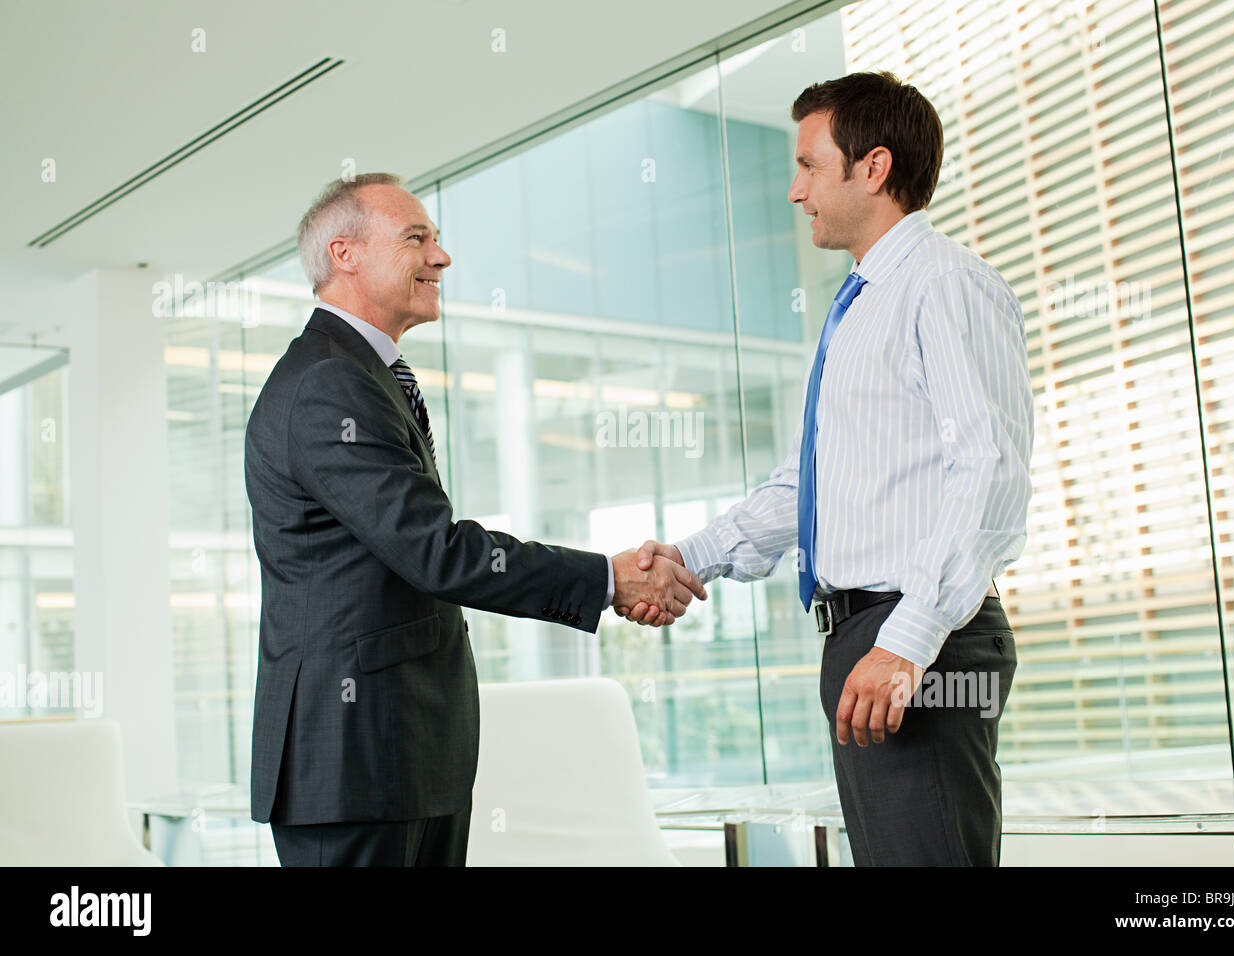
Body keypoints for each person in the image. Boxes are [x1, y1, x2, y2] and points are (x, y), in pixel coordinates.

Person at [618, 72, 1034, 866]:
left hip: (917, 638)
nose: (794, 190)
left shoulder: (943, 284)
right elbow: (814, 481)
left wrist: (907, 643)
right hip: (866, 636)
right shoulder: (865, 300)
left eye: (810, 166)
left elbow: (989, 472)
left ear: (872, 168)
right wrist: (692, 556)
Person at [244, 173, 706, 867]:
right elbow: (435, 550)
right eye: (417, 238)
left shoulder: (361, 375)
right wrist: (607, 579)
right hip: (352, 763)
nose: (442, 257)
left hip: (402, 756)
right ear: (345, 253)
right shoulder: (327, 384)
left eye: (438, 239)